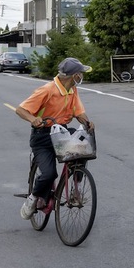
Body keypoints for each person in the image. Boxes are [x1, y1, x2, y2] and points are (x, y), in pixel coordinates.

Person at [16, 57, 94, 216]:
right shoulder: (47, 90)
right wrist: (33, 119)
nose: (81, 76)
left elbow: (78, 112)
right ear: (73, 75)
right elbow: (21, 109)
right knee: (49, 174)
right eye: (80, 73)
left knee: (82, 147)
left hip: (61, 133)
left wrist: (87, 122)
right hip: (42, 136)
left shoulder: (72, 90)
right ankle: (32, 199)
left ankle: (75, 190)